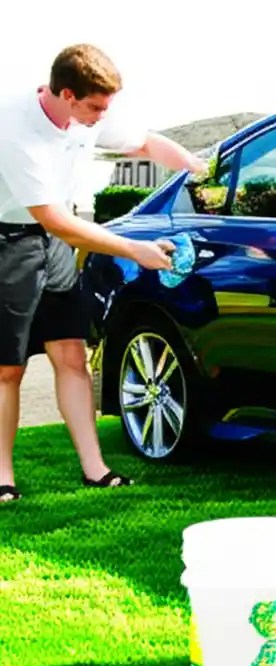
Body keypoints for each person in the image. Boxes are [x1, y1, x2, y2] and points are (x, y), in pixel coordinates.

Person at [0, 43, 204, 504]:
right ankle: (2, 478)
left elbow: (145, 142)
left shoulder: (88, 117)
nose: (102, 116)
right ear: (67, 95)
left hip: (55, 241)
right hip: (8, 241)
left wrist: (196, 165)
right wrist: (134, 249)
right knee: (7, 368)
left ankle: (96, 470)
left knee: (71, 355)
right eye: (95, 107)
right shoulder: (15, 126)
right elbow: (55, 219)